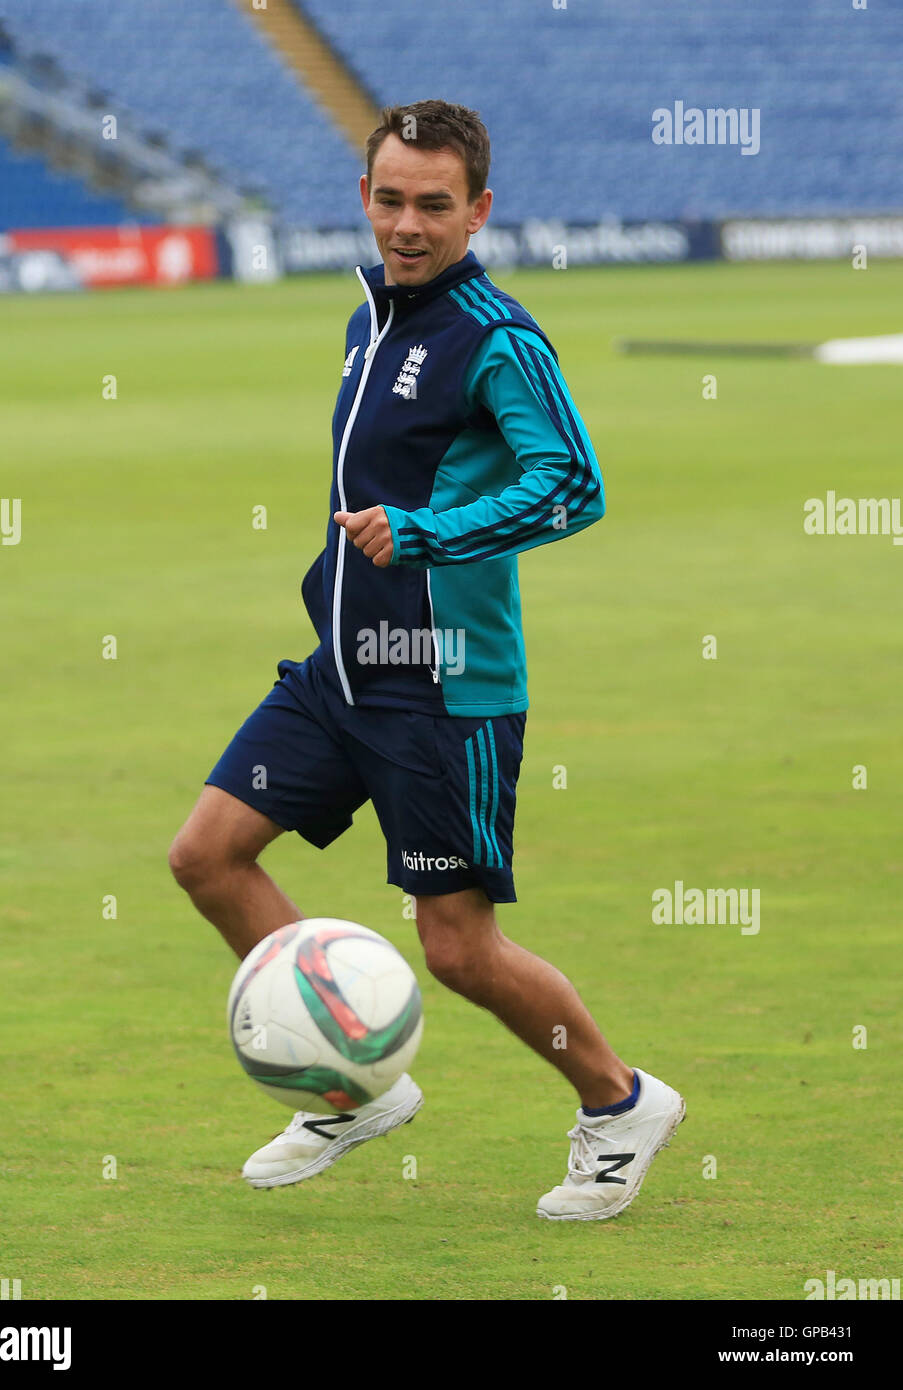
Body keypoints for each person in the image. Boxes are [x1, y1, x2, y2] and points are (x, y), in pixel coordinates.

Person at [169, 99, 685, 1220]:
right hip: (340, 669)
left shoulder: (495, 338)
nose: (407, 224)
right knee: (207, 855)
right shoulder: (372, 318)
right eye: (390, 200)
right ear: (364, 198)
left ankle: (618, 1100)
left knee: (454, 947)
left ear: (477, 210)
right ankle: (351, 1085)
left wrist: (429, 535)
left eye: (433, 205)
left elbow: (571, 483)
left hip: (443, 683)